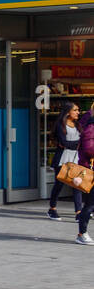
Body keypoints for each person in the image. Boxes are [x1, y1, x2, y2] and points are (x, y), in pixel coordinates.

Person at [48, 101, 83, 220]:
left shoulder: (77, 125)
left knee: (77, 185)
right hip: (62, 159)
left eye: (78, 110)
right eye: (75, 110)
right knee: (59, 184)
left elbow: (74, 142)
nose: (78, 112)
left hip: (75, 158)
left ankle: (78, 212)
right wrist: (77, 144)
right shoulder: (60, 125)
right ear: (68, 112)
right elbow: (64, 143)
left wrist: (73, 144)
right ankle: (52, 208)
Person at [78, 109, 94, 245]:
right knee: (89, 205)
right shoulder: (90, 128)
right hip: (90, 171)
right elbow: (89, 149)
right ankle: (82, 233)